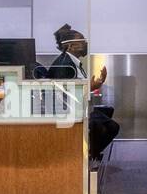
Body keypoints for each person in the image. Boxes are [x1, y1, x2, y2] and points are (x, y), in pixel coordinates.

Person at [51, 24, 118, 158]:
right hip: (69, 116)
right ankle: (86, 155)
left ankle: (90, 154)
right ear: (70, 46)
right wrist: (90, 87)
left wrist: (97, 83)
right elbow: (64, 96)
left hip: (80, 110)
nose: (85, 44)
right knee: (110, 127)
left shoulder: (74, 63)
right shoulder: (65, 65)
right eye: (81, 42)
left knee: (110, 122)